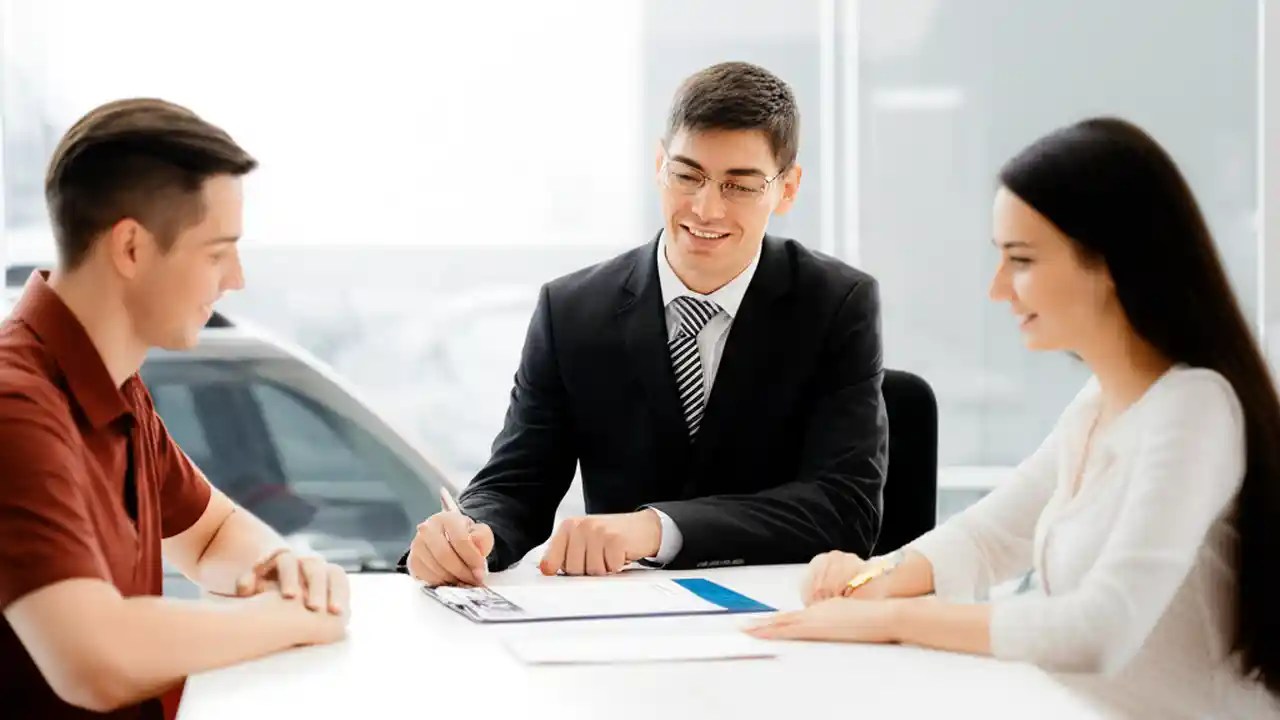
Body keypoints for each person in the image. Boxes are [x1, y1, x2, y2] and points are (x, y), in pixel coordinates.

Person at [746, 117, 1280, 718]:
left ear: (1109, 264)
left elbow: (1099, 631)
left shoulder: (1195, 409)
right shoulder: (1098, 406)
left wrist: (892, 617)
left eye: (1021, 260)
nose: (1000, 289)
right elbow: (989, 536)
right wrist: (871, 578)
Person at [403, 61, 887, 585]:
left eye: (739, 186)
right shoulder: (571, 311)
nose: (706, 208)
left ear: (787, 188)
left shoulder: (837, 304)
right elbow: (518, 483)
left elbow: (844, 507)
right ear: (660, 164)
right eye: (687, 175)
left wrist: (654, 530)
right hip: (622, 624)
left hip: (776, 616)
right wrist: (472, 532)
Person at [0, 99, 351, 719]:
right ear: (131, 248)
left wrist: (284, 567)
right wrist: (288, 620)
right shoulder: (16, 406)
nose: (235, 278)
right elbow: (96, 661)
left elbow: (211, 534)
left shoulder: (118, 388)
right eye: (217, 252)